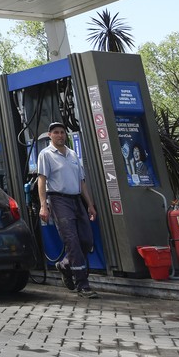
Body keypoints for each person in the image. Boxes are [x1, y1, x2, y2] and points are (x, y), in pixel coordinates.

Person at [37, 121, 99, 299]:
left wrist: (90, 205)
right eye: (56, 132)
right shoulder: (46, 154)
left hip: (76, 200)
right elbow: (42, 180)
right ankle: (82, 284)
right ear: (50, 135)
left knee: (86, 240)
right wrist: (43, 205)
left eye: (62, 132)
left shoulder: (72, 154)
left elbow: (82, 182)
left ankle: (65, 265)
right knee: (72, 241)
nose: (60, 135)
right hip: (58, 200)